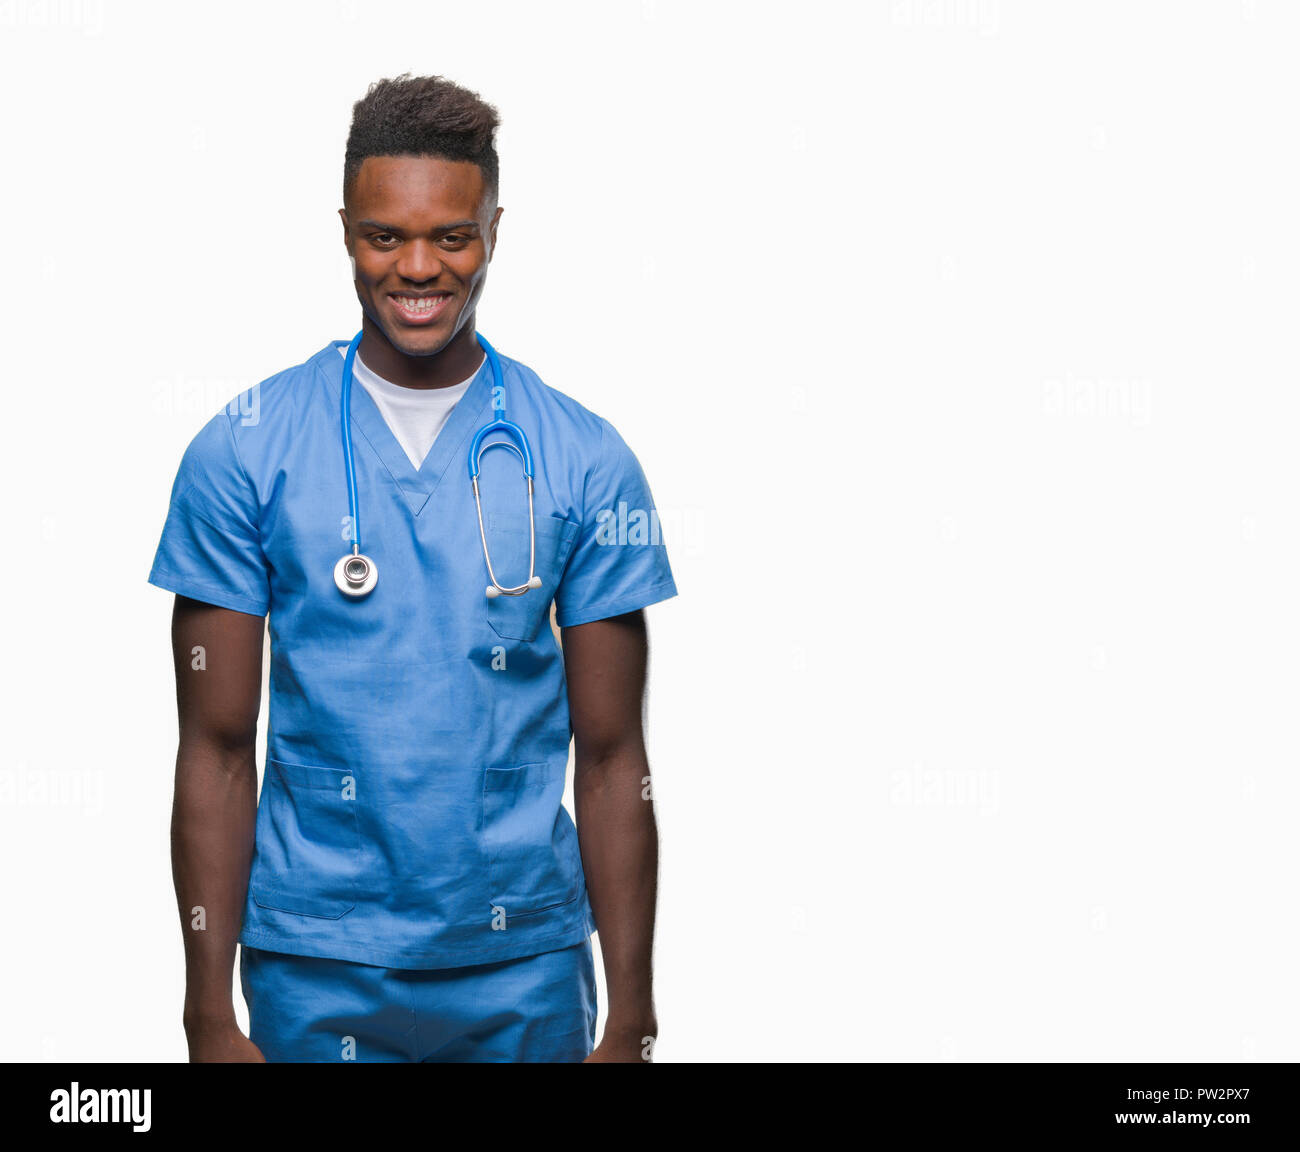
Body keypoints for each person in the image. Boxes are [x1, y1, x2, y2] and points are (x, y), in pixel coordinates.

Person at [148, 73, 677, 1063]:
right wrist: (207, 1016)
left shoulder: (584, 457)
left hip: (522, 967)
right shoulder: (244, 451)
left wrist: (632, 1020)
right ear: (344, 229)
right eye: (385, 236)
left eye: (452, 236)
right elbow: (214, 753)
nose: (419, 267)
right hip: (316, 969)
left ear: (494, 229)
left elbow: (613, 762)